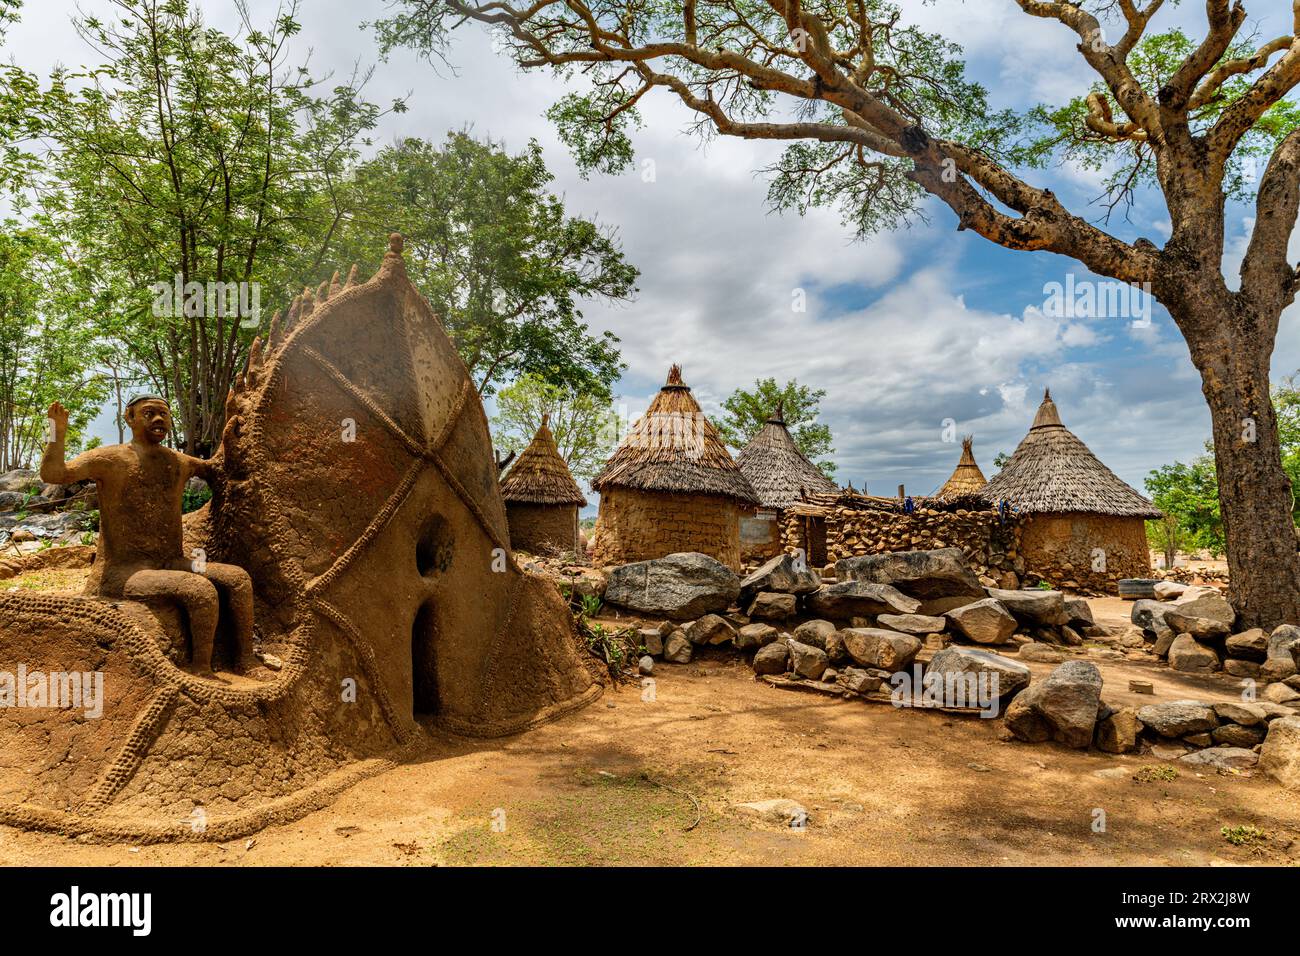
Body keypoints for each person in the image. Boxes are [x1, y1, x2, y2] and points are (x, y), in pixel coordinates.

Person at [40, 395, 256, 679]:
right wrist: (55, 431)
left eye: (164, 415)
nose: (158, 420)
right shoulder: (110, 459)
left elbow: (217, 466)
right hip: (126, 572)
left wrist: (233, 421)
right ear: (129, 419)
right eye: (149, 413)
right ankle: (202, 670)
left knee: (237, 578)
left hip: (172, 562)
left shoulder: (177, 461)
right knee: (200, 590)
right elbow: (54, 474)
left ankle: (246, 661)